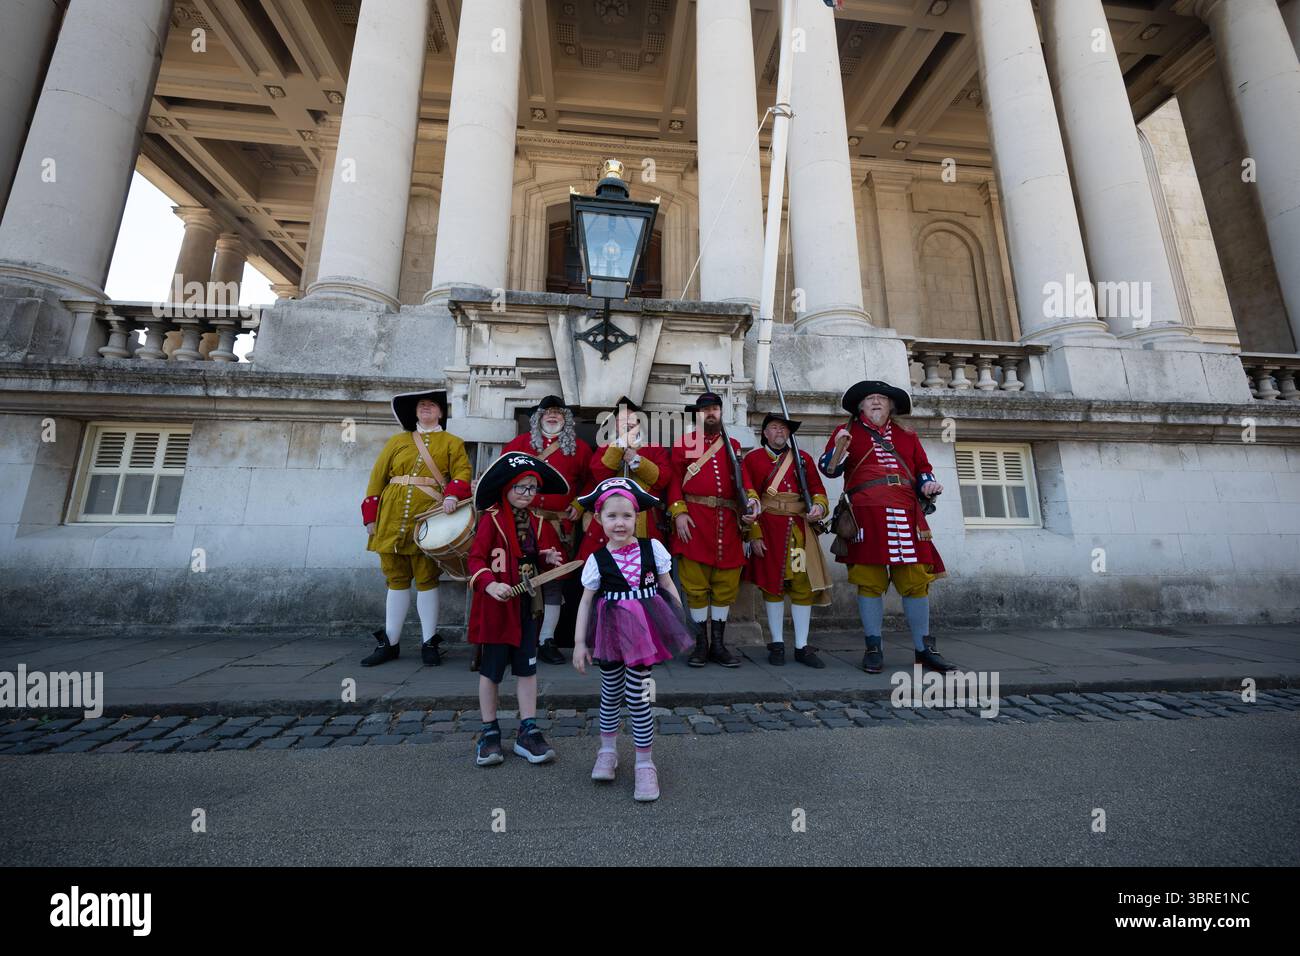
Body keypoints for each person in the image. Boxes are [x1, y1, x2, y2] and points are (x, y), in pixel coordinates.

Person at [818, 381, 957, 674]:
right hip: (865, 515)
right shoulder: (846, 432)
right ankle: (873, 647)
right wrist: (838, 449)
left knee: (916, 579)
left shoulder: (908, 435)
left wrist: (927, 483)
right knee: (869, 580)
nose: (877, 403)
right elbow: (829, 469)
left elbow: (922, 468)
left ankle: (924, 650)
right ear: (861, 407)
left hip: (907, 513)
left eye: (882, 399)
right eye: (870, 399)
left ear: (892, 406)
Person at [572, 477, 694, 802]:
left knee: (639, 696)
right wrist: (579, 644)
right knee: (610, 692)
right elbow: (585, 602)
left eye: (627, 516)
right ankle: (607, 751)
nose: (620, 523)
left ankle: (644, 764)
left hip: (645, 630)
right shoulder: (596, 560)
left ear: (637, 517)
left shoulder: (652, 548)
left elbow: (668, 586)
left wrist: (677, 621)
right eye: (612, 516)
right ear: (599, 519)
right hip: (610, 631)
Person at [466, 452, 568, 767]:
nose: (526, 494)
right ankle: (489, 732)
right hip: (497, 609)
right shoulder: (491, 519)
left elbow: (528, 557)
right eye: (520, 488)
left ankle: (528, 729)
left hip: (526, 607)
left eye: (531, 488)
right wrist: (489, 584)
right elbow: (475, 560)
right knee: (491, 672)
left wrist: (545, 557)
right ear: (507, 488)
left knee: (528, 669)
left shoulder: (537, 521)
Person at [360, 389, 470, 668]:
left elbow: (462, 473)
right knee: (395, 579)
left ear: (441, 413)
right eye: (422, 405)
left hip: (428, 519)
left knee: (426, 579)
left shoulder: (452, 442)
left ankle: (429, 642)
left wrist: (452, 495)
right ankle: (390, 643)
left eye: (432, 405)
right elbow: (377, 479)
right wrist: (371, 516)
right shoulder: (397, 441)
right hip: (391, 519)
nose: (426, 409)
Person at [668, 392, 760, 667]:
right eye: (706, 409)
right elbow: (673, 481)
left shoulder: (731, 444)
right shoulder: (685, 443)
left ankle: (719, 645)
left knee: (725, 584)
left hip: (727, 523)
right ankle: (701, 645)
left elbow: (743, 481)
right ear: (697, 415)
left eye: (715, 409)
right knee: (696, 586)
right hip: (695, 521)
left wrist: (752, 501)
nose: (711, 413)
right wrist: (679, 512)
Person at [503, 395, 592, 665]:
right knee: (518, 578)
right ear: (537, 418)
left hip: (558, 525)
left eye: (558, 413)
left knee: (554, 582)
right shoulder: (517, 445)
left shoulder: (580, 448)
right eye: (547, 412)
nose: (553, 416)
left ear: (566, 420)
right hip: (522, 522)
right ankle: (515, 638)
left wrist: (579, 502)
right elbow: (501, 478)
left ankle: (546, 639)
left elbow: (593, 482)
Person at [743, 412, 832, 668]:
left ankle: (802, 646)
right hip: (769, 528)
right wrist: (755, 534)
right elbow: (749, 498)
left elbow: (818, 490)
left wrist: (819, 507)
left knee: (802, 586)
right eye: (774, 427)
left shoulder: (803, 459)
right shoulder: (754, 459)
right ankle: (777, 643)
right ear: (765, 434)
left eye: (783, 428)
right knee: (773, 585)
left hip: (798, 531)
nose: (780, 431)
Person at [578, 394, 671, 560]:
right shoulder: (606, 448)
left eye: (631, 419)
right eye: (621, 420)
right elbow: (600, 475)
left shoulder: (655, 449)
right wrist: (618, 447)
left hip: (645, 520)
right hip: (610, 519)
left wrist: (637, 461)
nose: (627, 423)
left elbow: (663, 479)